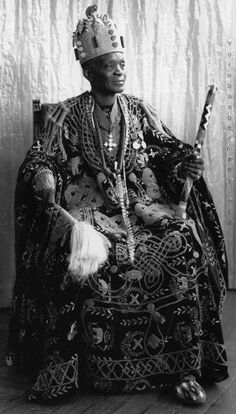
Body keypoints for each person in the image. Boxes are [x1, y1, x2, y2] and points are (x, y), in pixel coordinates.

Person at [6, 4, 228, 405]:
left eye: (122, 63)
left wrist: (184, 163)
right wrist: (43, 175)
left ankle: (182, 368)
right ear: (90, 71)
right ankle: (72, 371)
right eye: (110, 65)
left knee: (181, 244)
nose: (120, 71)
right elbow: (43, 158)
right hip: (90, 219)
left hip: (142, 213)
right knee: (78, 261)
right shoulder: (66, 116)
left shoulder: (140, 111)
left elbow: (169, 152)